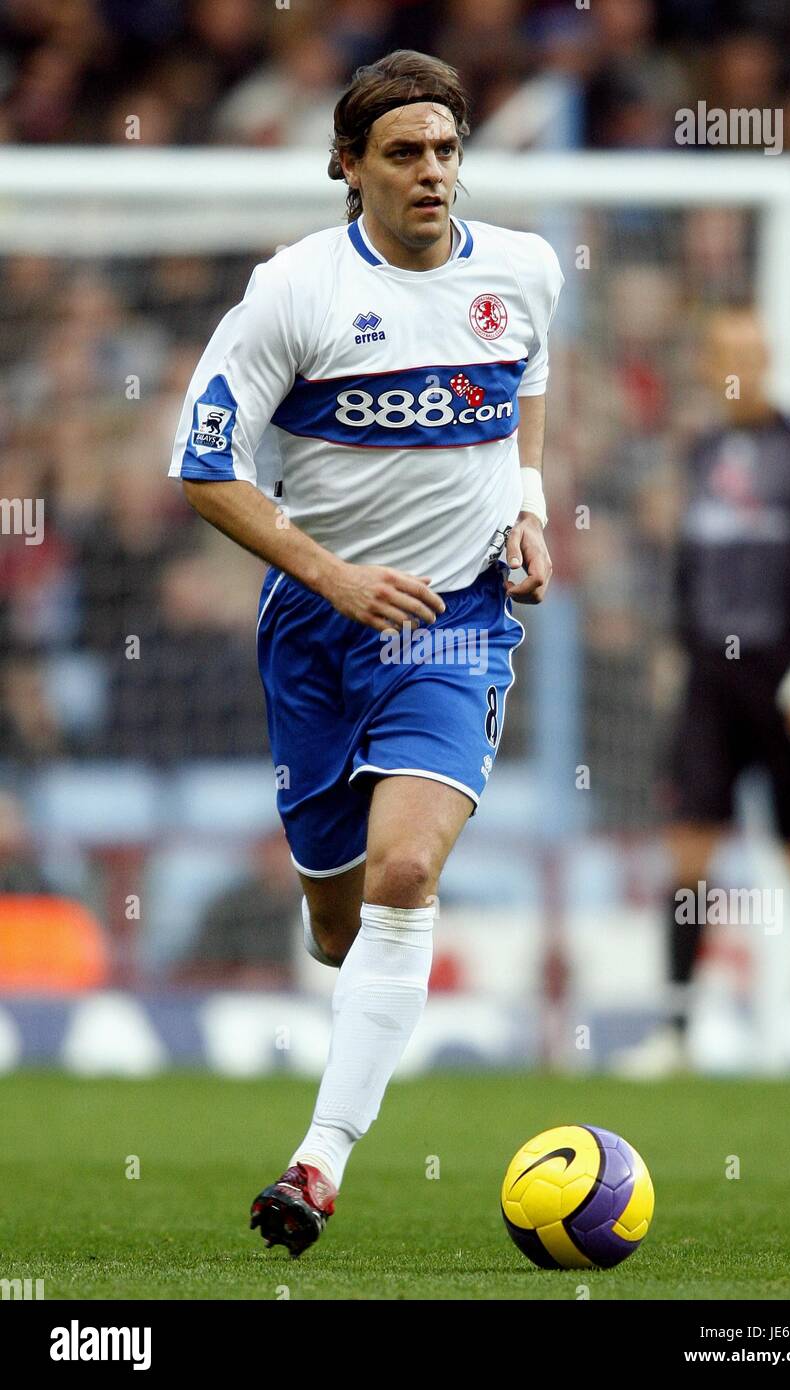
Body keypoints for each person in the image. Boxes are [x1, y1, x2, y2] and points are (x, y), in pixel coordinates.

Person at [168, 49, 564, 1255]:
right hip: (317, 631)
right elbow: (202, 470)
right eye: (404, 152)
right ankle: (344, 959)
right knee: (339, 926)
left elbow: (525, 379)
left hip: (455, 621)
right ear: (348, 167)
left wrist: (528, 503)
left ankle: (315, 1165)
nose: (432, 171)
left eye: (445, 148)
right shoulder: (292, 294)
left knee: (404, 877)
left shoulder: (524, 270)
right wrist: (331, 574)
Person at [613, 306, 790, 1078]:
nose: (737, 367)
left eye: (749, 353)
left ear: (769, 357)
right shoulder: (699, 452)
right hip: (708, 681)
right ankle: (677, 1029)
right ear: (706, 364)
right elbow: (691, 570)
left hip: (789, 680)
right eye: (723, 353)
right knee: (686, 847)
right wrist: (674, 649)